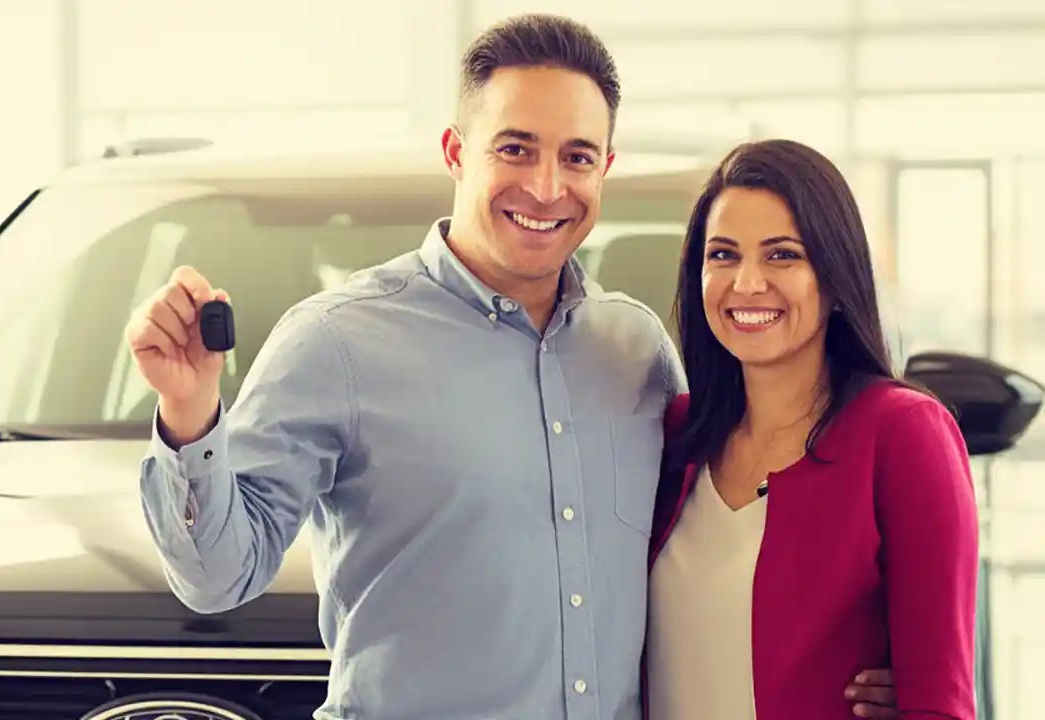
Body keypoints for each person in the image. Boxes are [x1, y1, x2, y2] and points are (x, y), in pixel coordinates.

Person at [126, 13, 898, 720]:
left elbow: (718, 561)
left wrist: (861, 665)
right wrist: (190, 412)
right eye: (515, 148)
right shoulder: (336, 342)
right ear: (457, 152)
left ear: (604, 169)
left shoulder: (639, 354)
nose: (545, 187)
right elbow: (216, 579)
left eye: (577, 157)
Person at [646, 139, 979, 720]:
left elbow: (940, 702)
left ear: (835, 275)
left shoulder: (902, 435)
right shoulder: (673, 435)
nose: (746, 283)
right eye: (722, 255)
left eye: (782, 255)